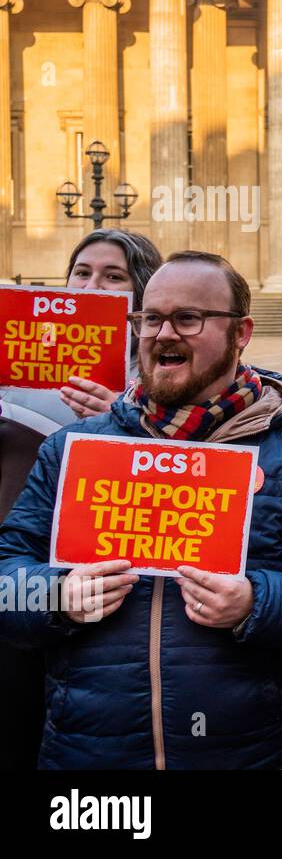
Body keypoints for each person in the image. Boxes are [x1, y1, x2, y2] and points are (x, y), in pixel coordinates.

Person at [0, 250, 282, 769]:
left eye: (189, 318)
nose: (165, 333)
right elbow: (8, 574)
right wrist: (58, 595)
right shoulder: (72, 447)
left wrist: (258, 601)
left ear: (241, 332)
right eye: (151, 318)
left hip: (252, 754)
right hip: (91, 757)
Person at [0, 227, 161, 770]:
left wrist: (121, 416)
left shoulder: (166, 377)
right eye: (82, 273)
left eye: (114, 277)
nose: (93, 285)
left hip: (110, 581)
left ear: (142, 297)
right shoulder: (18, 356)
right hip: (24, 572)